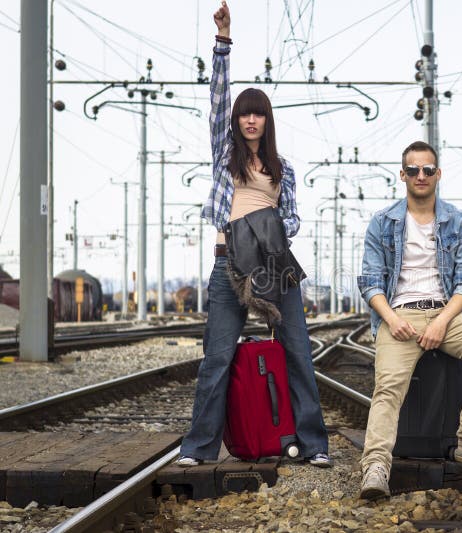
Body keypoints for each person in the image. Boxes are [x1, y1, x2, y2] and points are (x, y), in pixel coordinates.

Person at [176, 0, 330, 468]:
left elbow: (296, 220)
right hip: (229, 266)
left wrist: (268, 227)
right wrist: (223, 41)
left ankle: (314, 446)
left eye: (257, 114)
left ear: (267, 121)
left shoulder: (285, 170)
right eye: (244, 114)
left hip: (275, 267)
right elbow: (218, 99)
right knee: (216, 360)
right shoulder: (226, 157)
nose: (249, 120)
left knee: (299, 355)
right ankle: (200, 449)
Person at [356, 141, 462, 500]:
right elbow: (370, 282)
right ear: (403, 175)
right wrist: (391, 319)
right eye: (413, 170)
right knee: (389, 386)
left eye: (428, 170)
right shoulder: (383, 222)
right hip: (401, 317)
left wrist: (442, 320)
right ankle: (376, 465)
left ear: (438, 174)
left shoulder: (459, 221)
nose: (420, 176)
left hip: (447, 312)